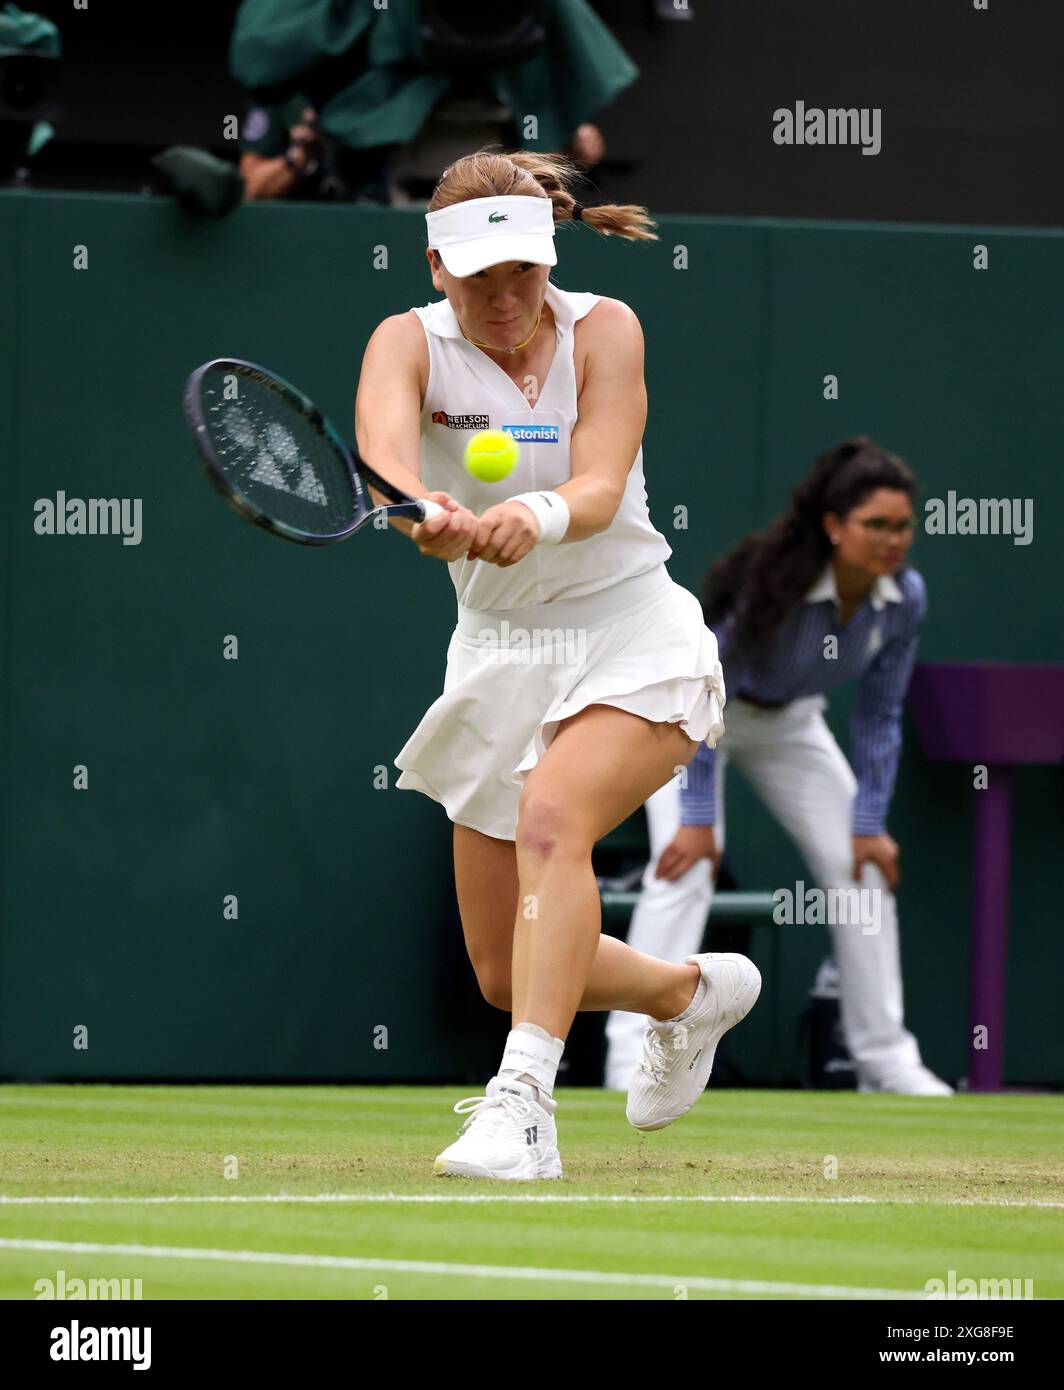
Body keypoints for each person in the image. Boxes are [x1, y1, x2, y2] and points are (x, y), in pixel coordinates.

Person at [353, 148, 760, 1180]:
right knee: (502, 968)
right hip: (498, 652)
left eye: (522, 274)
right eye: (478, 276)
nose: (503, 298)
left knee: (553, 821)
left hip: (629, 627)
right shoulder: (404, 343)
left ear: (547, 259)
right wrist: (424, 512)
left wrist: (529, 514)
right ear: (434, 265)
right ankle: (685, 994)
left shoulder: (605, 327)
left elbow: (599, 476)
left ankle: (523, 1106)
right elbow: (384, 453)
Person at [603, 439, 954, 1097]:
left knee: (864, 868)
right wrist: (698, 820)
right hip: (693, 709)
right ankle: (630, 1057)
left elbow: (879, 714)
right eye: (876, 525)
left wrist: (869, 822)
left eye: (903, 525)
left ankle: (884, 1060)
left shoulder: (906, 598)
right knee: (686, 865)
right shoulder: (774, 583)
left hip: (790, 722)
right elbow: (710, 690)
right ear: (834, 526)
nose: (893, 540)